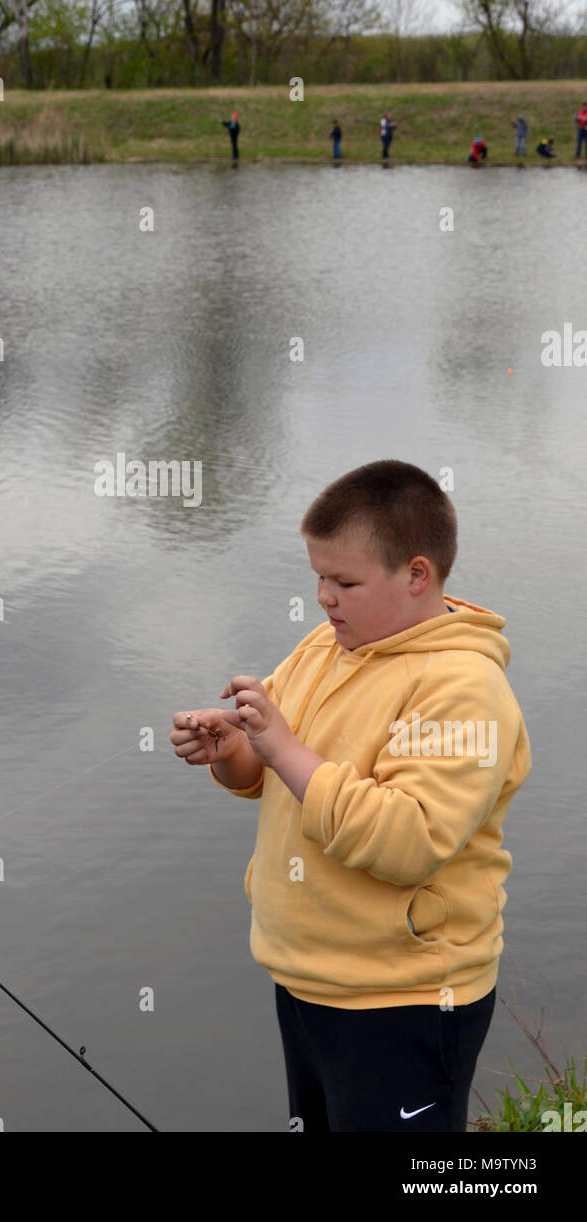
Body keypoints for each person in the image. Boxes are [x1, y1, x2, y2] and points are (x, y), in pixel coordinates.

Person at [171, 459, 531, 1134]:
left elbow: (409, 841)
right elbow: (277, 771)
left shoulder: (462, 689)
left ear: (417, 575)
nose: (324, 598)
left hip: (408, 1000)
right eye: (318, 578)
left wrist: (279, 746)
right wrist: (236, 754)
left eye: (345, 582)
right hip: (310, 979)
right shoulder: (326, 646)